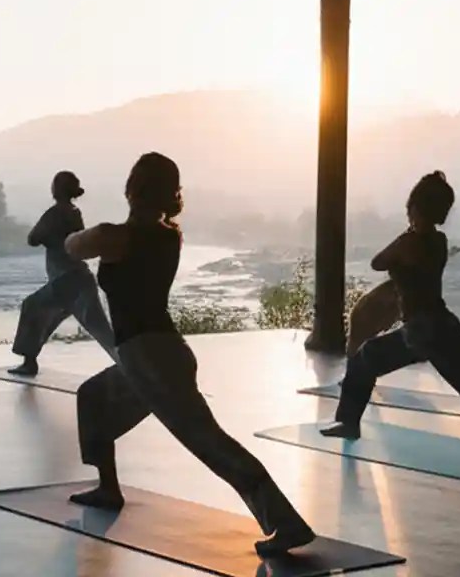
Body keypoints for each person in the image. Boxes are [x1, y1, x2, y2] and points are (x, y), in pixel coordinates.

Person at [65, 153, 315, 555]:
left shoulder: (120, 236)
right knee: (92, 398)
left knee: (210, 443)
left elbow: (74, 246)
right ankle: (108, 489)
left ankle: (286, 523)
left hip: (149, 356)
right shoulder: (169, 234)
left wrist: (71, 230)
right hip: (158, 351)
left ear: (134, 189)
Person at [320, 171, 460, 473]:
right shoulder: (439, 241)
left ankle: (348, 422)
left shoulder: (409, 243)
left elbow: (378, 262)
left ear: (415, 207)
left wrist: (405, 234)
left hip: (423, 331)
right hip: (442, 327)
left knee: (365, 359)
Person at [8, 171, 116, 376]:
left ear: (56, 190)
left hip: (66, 280)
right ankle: (132, 367)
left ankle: (29, 362)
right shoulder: (75, 212)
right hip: (80, 279)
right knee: (101, 329)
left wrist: (49, 238)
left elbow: (32, 238)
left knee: (33, 307)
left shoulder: (55, 213)